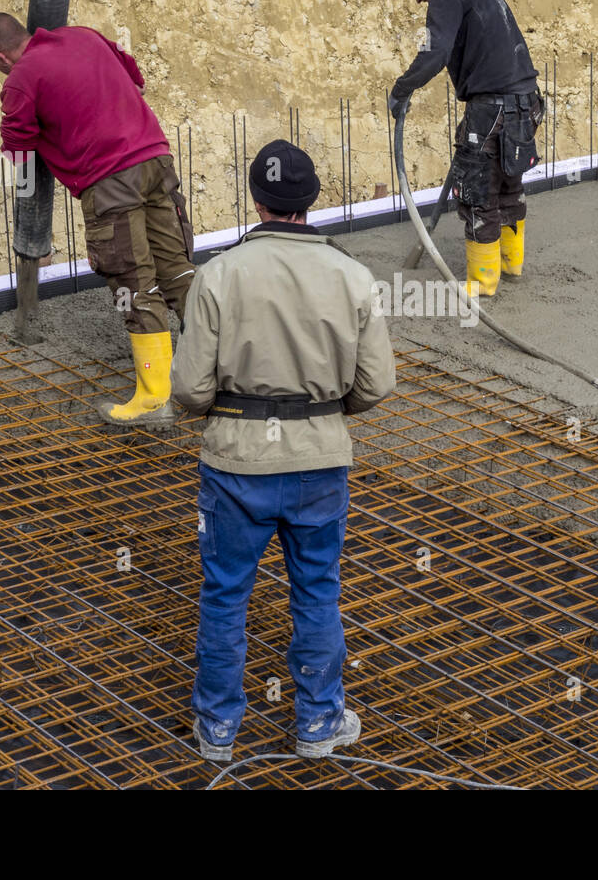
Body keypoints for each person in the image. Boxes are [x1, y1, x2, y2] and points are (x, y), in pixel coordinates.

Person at [171, 140, 396, 762]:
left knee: (224, 596)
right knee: (317, 591)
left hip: (235, 463)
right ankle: (319, 725)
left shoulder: (218, 275)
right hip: (319, 461)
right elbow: (377, 384)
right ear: (310, 200)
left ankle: (217, 729)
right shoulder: (351, 275)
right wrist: (323, 415)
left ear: (256, 199)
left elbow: (189, 391)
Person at [0, 13, 195, 428]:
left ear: (0, 57)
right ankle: (222, 378)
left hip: (110, 181)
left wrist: (50, 132)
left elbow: (18, 147)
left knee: (135, 284)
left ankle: (154, 400)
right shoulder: (83, 36)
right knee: (179, 271)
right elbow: (136, 78)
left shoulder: (20, 79)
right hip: (156, 159)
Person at [390, 0, 542, 297]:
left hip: (492, 109)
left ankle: (482, 283)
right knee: (508, 187)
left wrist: (402, 88)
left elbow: (435, 53)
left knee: (477, 195)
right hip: (526, 104)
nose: (416, 1)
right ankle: (511, 264)